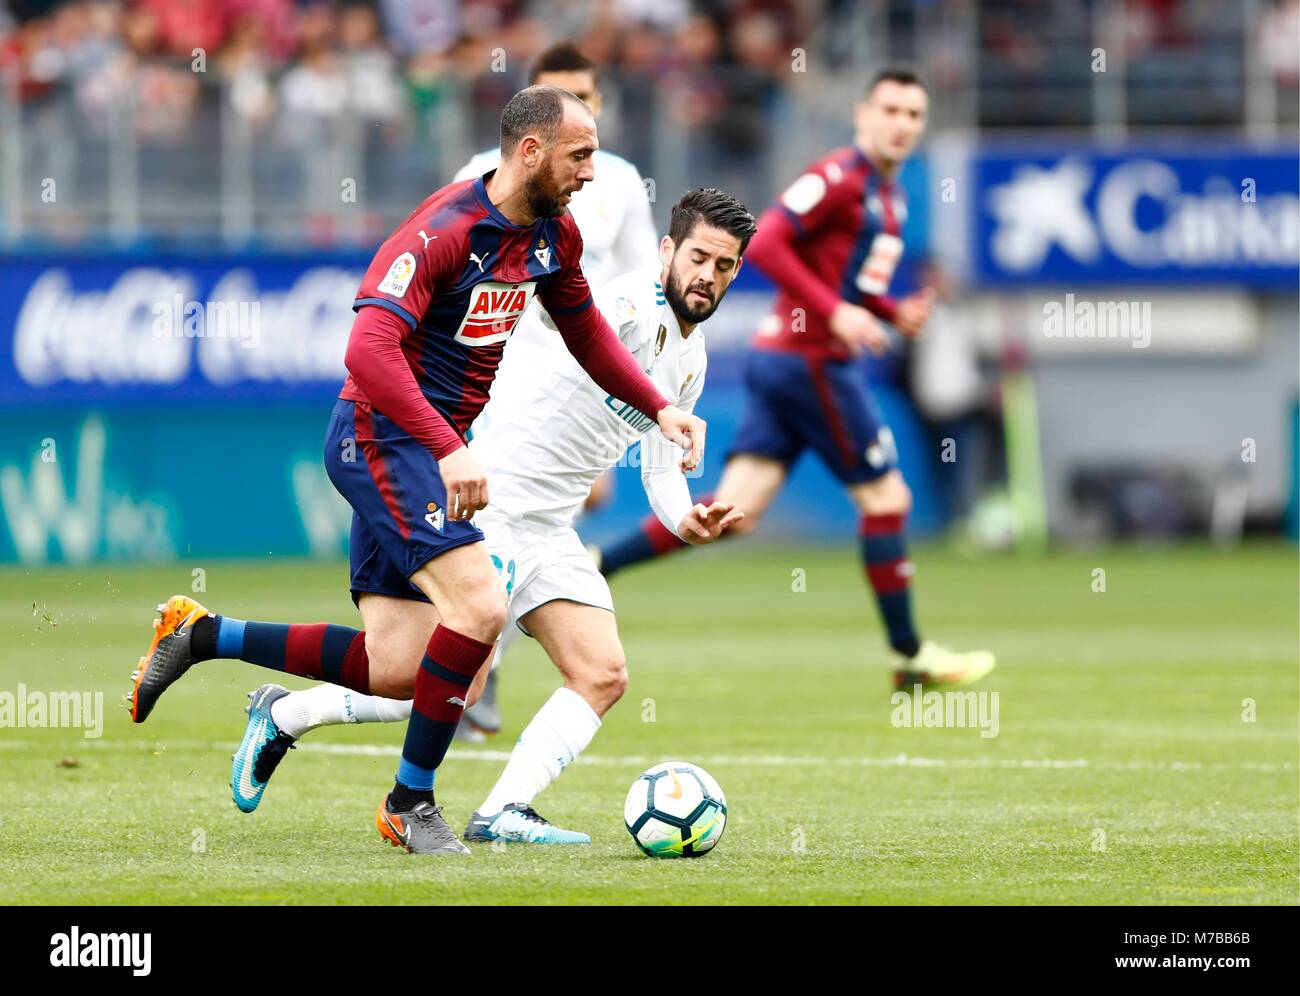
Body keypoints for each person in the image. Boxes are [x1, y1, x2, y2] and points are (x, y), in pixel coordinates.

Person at [127, 85, 706, 855]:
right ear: (530, 151)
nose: (591, 173)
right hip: (378, 436)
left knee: (397, 667)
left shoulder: (550, 237)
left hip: (427, 445)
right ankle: (411, 803)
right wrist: (450, 446)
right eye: (580, 155)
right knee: (479, 607)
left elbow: (589, 336)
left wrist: (657, 406)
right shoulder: (444, 230)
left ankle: (203, 636)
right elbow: (366, 349)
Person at [225, 188, 754, 845]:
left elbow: (657, 467)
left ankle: (502, 811)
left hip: (550, 529)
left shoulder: (691, 360)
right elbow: (567, 331)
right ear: (668, 250)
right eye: (698, 256)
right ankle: (293, 714)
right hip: (494, 507)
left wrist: (686, 520)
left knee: (602, 673)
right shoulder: (625, 305)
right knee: (455, 683)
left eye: (725, 266)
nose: (707, 275)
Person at [596, 68, 995, 691]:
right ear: (862, 114)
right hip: (808, 360)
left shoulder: (890, 198)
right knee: (888, 500)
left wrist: (886, 311)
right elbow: (773, 240)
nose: (901, 124)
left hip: (792, 362)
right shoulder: (837, 177)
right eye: (889, 109)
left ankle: (598, 563)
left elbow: (848, 285)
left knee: (735, 512)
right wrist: (836, 314)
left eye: (914, 115)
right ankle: (911, 656)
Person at [453, 42, 659, 740]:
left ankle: (474, 667)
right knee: (494, 530)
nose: (579, 109)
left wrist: (626, 424)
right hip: (496, 383)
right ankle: (463, 668)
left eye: (588, 97)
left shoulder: (620, 184)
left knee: (538, 530)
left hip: (578, 387)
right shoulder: (481, 181)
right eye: (559, 94)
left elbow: (637, 298)